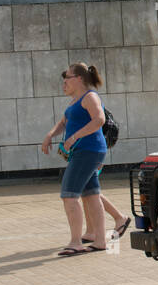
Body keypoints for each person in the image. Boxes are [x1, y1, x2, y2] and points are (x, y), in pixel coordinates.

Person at [41, 63, 111, 256]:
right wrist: (50, 135)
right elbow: (63, 122)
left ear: (79, 78)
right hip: (85, 151)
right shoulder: (74, 101)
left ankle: (75, 242)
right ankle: (100, 240)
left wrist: (74, 137)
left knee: (69, 194)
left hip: (88, 150)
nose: (64, 82)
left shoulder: (90, 97)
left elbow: (99, 119)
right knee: (91, 194)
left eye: (68, 78)